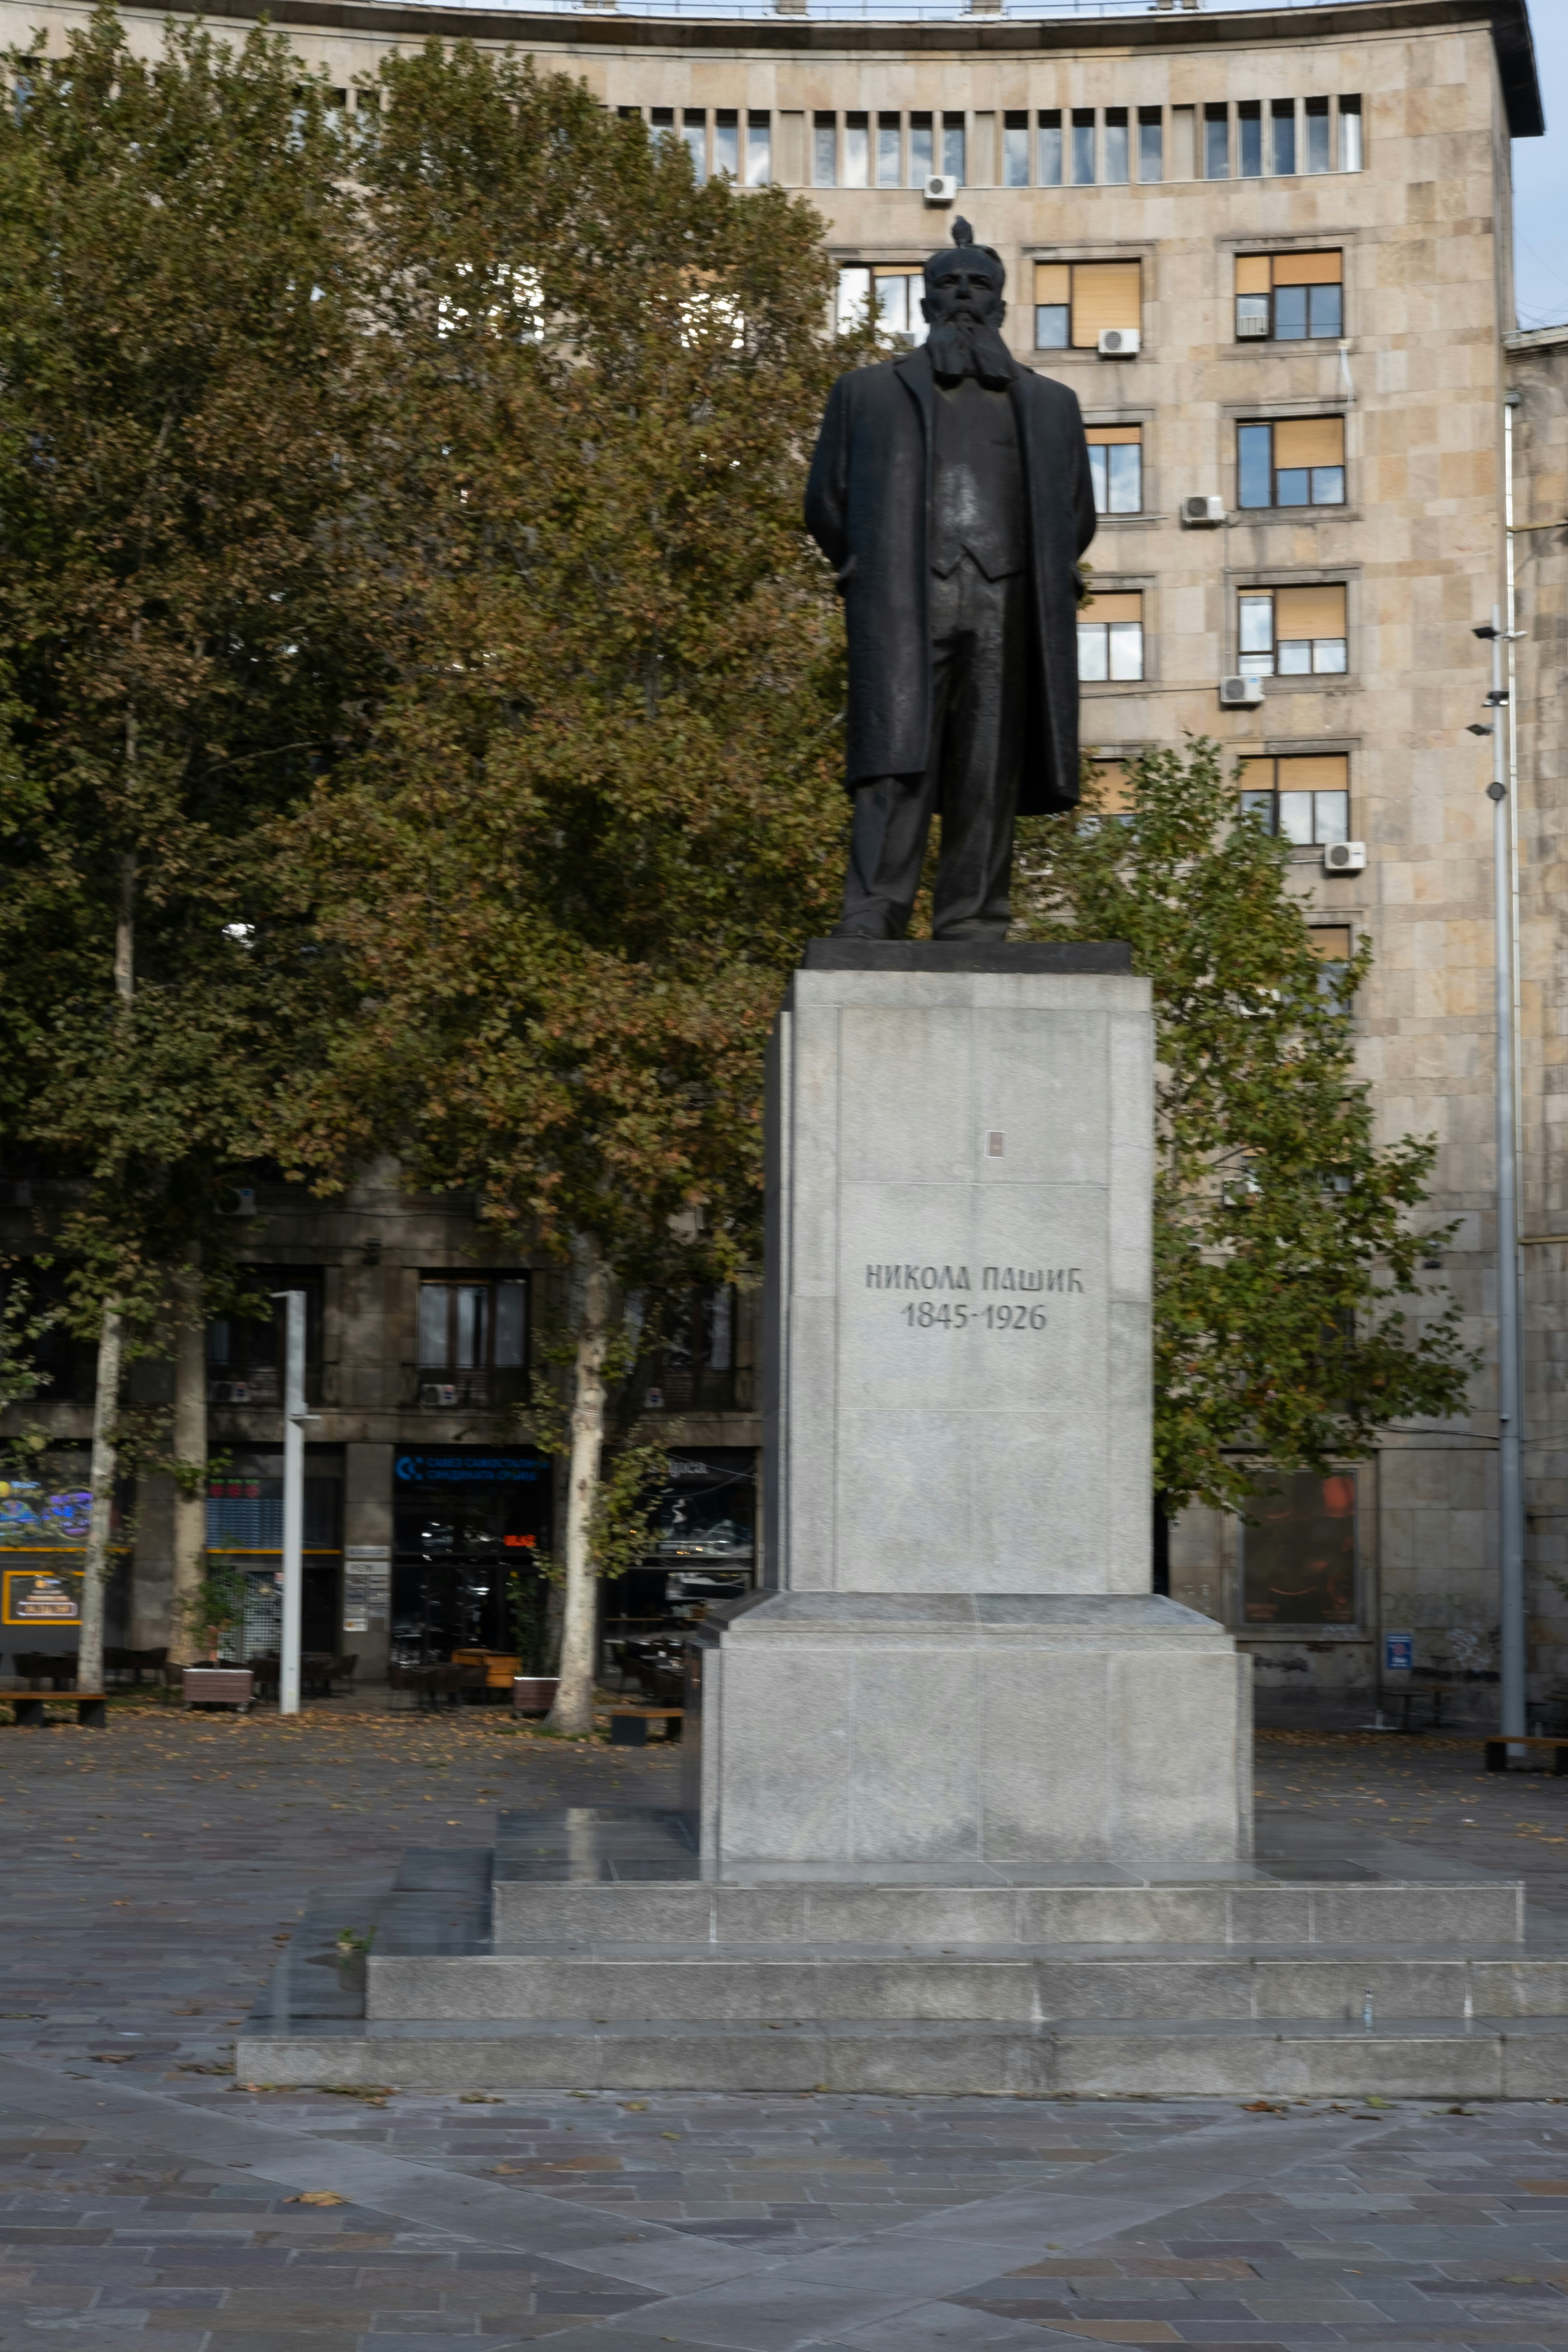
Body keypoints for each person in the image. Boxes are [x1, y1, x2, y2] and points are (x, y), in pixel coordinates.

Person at [805, 218, 1096, 941]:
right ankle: (875, 909)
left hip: (1009, 599)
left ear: (1001, 304)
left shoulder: (1053, 405)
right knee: (894, 760)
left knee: (987, 761)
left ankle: (973, 915)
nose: (964, 296)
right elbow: (826, 502)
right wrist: (873, 567)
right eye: (949, 284)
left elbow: (1076, 513)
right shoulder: (864, 394)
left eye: (979, 284)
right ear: (926, 302)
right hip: (906, 598)